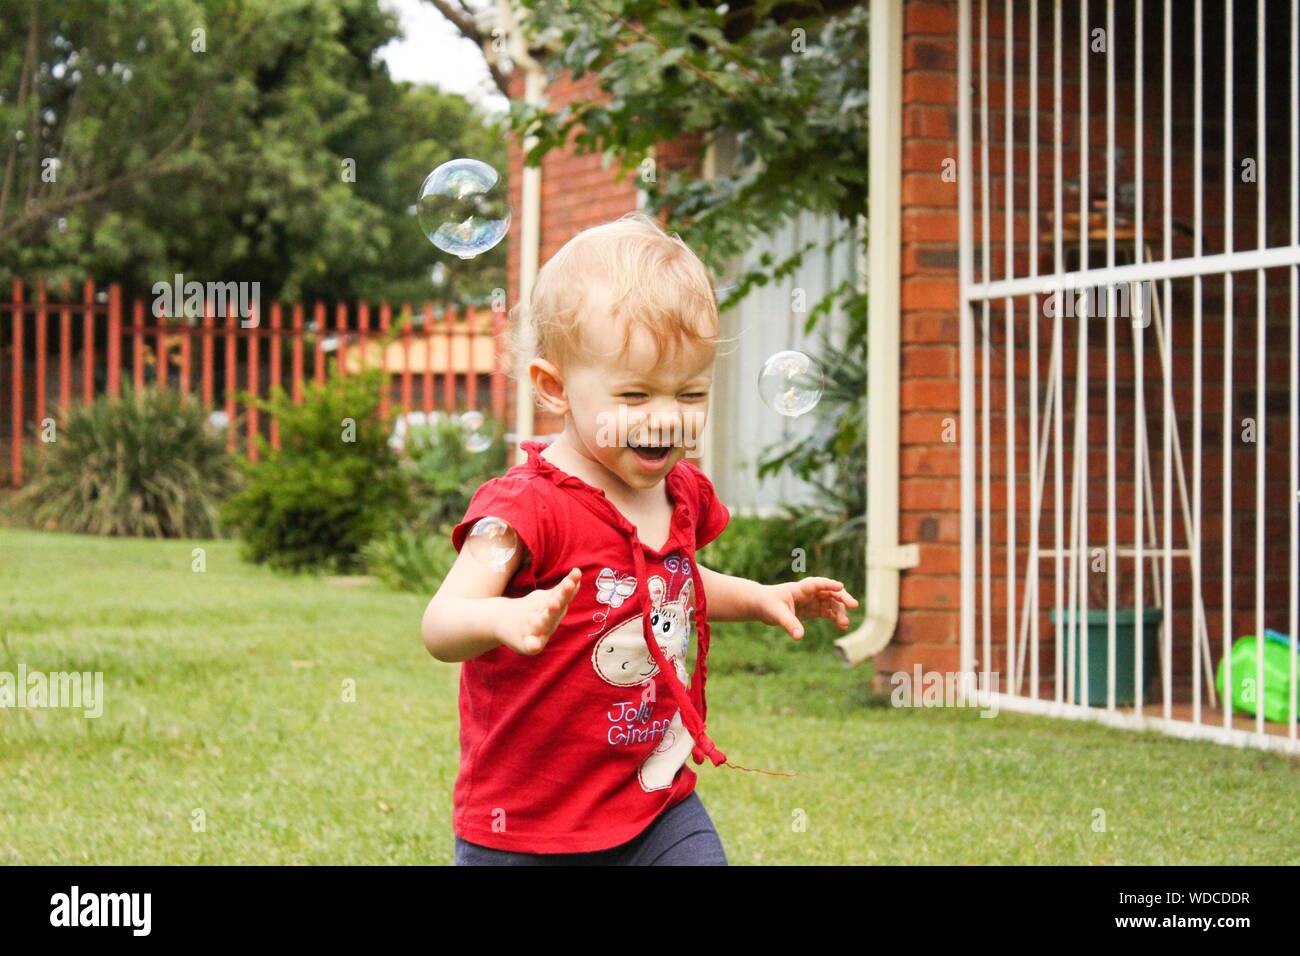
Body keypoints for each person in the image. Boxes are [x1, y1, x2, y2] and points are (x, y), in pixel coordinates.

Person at [421, 212, 858, 865]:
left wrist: (762, 596)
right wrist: (506, 615)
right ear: (554, 387)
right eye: (634, 393)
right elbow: (442, 621)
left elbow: (674, 582)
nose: (665, 419)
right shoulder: (525, 507)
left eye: (689, 393)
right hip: (527, 822)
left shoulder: (679, 490)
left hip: (654, 803)